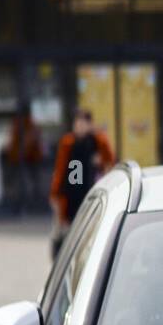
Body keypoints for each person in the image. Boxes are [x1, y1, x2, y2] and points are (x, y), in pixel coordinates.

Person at [49, 109, 115, 257]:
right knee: (68, 232)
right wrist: (55, 193)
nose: (78, 127)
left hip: (91, 191)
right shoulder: (68, 142)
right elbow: (60, 169)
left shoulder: (96, 141)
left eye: (82, 124)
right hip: (72, 193)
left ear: (89, 124)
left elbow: (110, 159)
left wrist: (98, 159)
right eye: (76, 124)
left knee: (90, 231)